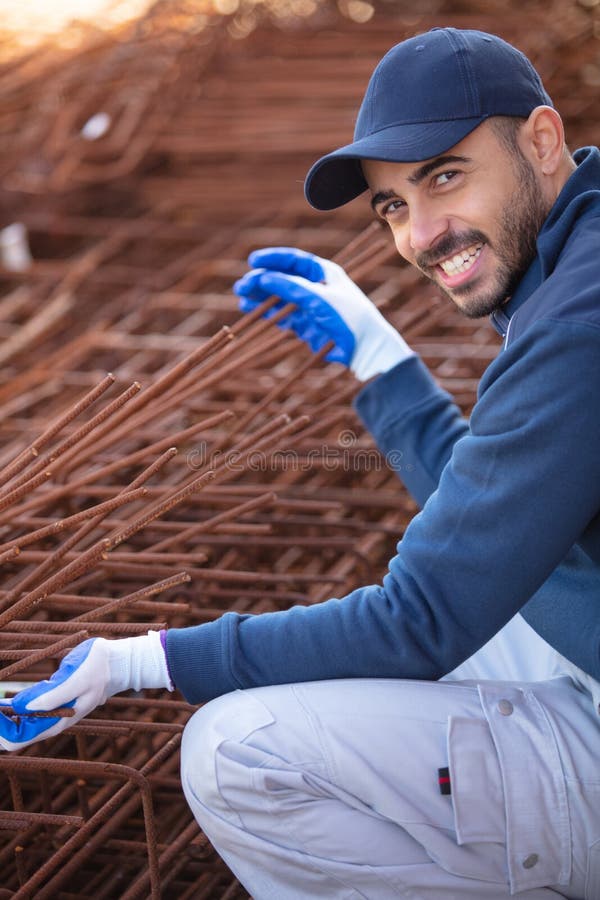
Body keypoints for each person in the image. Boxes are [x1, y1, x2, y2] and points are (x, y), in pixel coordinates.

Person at [2, 26, 600, 899]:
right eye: (392, 205)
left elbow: (421, 619)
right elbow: (505, 522)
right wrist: (385, 372)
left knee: (241, 751)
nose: (422, 233)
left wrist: (143, 660)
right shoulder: (574, 270)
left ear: (542, 140)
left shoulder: (575, 325)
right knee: (479, 606)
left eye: (444, 176)